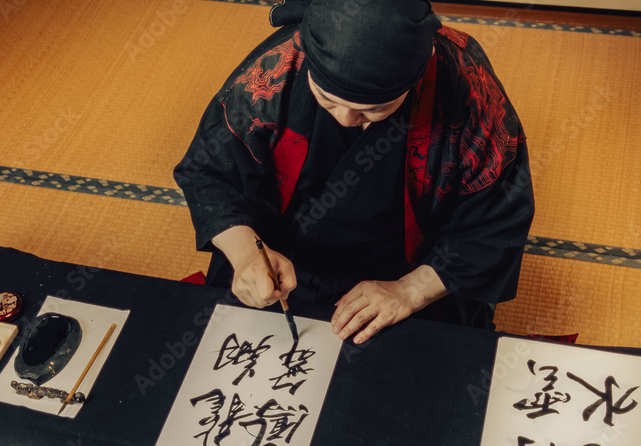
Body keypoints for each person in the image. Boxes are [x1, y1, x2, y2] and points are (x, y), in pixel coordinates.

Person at [173, 0, 534, 344]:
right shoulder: (276, 69)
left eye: (374, 109)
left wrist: (410, 292)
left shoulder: (467, 93)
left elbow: (495, 222)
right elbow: (211, 173)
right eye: (328, 99)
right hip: (278, 257)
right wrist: (246, 254)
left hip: (405, 267)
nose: (345, 119)